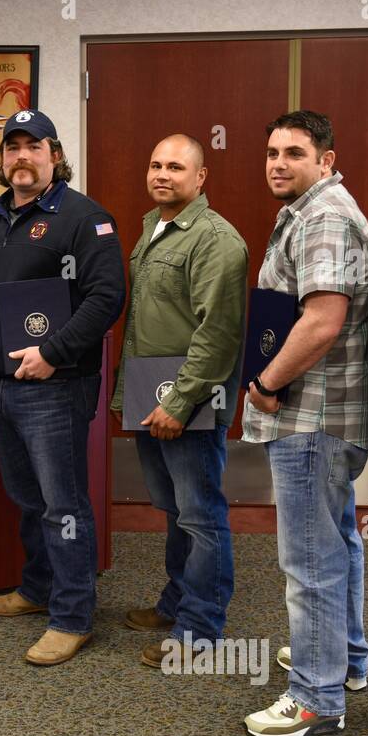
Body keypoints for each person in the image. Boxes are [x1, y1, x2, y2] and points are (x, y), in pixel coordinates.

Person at [241, 110, 368, 736]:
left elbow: (322, 320)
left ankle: (316, 697)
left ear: (325, 159)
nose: (278, 162)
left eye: (294, 153)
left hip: (310, 417)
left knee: (310, 558)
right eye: (272, 151)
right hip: (327, 417)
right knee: (338, 540)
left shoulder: (323, 215)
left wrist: (267, 385)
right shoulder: (311, 208)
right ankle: (342, 659)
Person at [0, 109, 126, 666]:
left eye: (32, 147)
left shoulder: (85, 219)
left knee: (64, 503)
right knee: (28, 498)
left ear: (54, 155)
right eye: (11, 148)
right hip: (4, 384)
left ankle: (73, 616)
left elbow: (106, 299)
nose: (21, 157)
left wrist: (51, 353)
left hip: (56, 385)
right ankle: (38, 590)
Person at [109, 134, 248, 669]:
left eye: (175, 166)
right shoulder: (154, 226)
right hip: (149, 388)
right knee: (173, 509)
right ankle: (177, 599)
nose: (162, 174)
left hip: (187, 398)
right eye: (154, 164)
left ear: (200, 177)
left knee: (200, 514)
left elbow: (218, 335)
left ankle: (202, 627)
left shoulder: (215, 240)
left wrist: (181, 402)